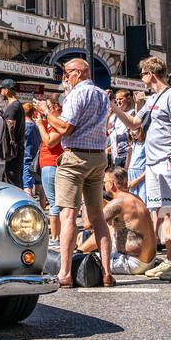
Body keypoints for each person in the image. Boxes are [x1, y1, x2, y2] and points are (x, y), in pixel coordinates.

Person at [111, 56, 171, 281]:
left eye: (143, 74)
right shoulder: (154, 99)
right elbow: (134, 123)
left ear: (151, 74)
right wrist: (113, 108)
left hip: (166, 160)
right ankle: (170, 260)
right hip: (153, 161)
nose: (141, 78)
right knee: (160, 211)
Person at [45, 58, 114, 288]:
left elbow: (65, 128)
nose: (65, 78)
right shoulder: (103, 95)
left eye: (67, 73)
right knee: (98, 217)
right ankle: (106, 272)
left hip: (75, 158)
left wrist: (47, 113)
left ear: (78, 73)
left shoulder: (77, 95)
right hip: (98, 157)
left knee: (68, 215)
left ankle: (64, 273)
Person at [75, 165, 159, 275]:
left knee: (79, 262)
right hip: (148, 261)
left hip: (132, 263)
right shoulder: (134, 198)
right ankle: (80, 251)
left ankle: (78, 254)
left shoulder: (118, 203)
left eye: (104, 182)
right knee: (109, 226)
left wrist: (85, 197)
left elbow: (88, 225)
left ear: (111, 184)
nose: (104, 186)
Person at [33, 95, 64, 244]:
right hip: (49, 164)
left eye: (50, 107)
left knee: (54, 202)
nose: (48, 111)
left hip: (52, 164)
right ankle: (58, 236)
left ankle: (56, 237)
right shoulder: (53, 121)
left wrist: (39, 124)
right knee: (55, 201)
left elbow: (50, 142)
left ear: (57, 107)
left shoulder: (60, 122)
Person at [0, 79, 25, 188]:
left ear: (7, 90)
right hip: (18, 149)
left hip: (13, 151)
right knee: (16, 181)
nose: (0, 92)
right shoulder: (18, 105)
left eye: (2, 89)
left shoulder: (13, 106)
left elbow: (10, 128)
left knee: (13, 184)